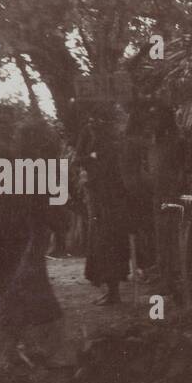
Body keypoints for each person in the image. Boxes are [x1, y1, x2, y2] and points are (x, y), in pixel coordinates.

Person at [0, 109, 76, 382]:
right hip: (25, 270)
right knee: (52, 350)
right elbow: (61, 221)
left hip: (4, 273)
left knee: (2, 351)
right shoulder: (35, 176)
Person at [75, 101, 130, 305]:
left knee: (112, 241)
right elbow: (77, 159)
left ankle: (114, 291)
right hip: (98, 194)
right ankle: (110, 290)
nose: (99, 120)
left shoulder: (116, 134)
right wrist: (93, 156)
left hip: (114, 194)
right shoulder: (88, 133)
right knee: (101, 241)